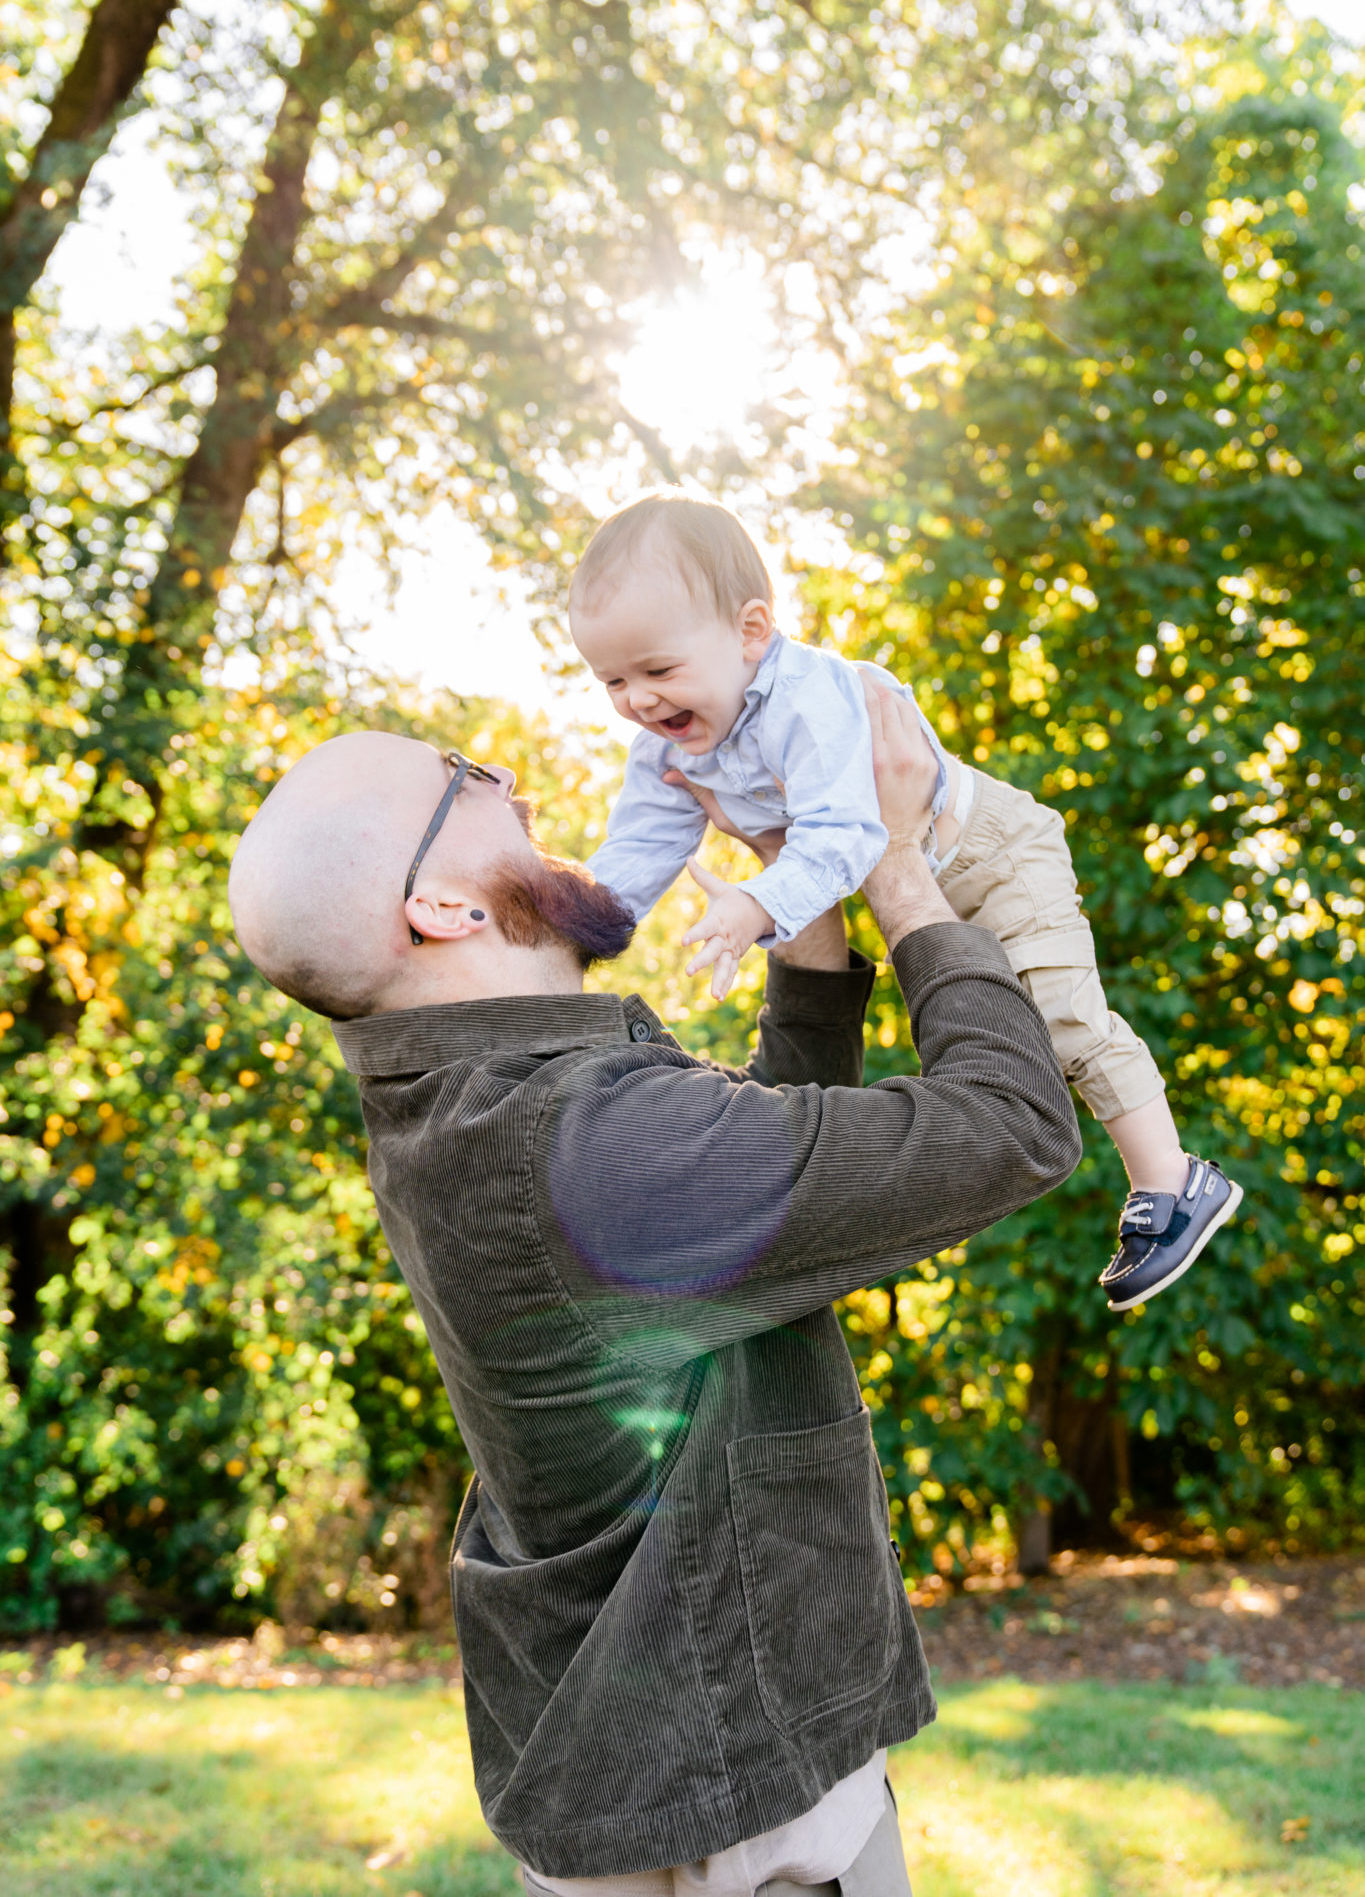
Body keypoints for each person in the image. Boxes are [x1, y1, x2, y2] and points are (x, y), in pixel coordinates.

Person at [227, 685, 1081, 1895]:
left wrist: (804, 899)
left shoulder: (477, 1110)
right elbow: (1011, 1126)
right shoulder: (580, 1144)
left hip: (657, 1775)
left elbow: (757, 1218)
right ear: (442, 904)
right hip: (744, 1810)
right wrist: (899, 871)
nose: (510, 783)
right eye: (464, 775)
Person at [570, 488, 1241, 1314]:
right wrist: (577, 925)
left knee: (1063, 1018)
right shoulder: (671, 741)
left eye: (658, 670)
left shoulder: (808, 700)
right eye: (611, 680)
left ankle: (1172, 1181)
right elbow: (637, 846)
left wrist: (754, 903)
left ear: (750, 633)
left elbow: (848, 835)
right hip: (921, 869)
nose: (637, 699)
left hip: (993, 850)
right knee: (993, 1029)